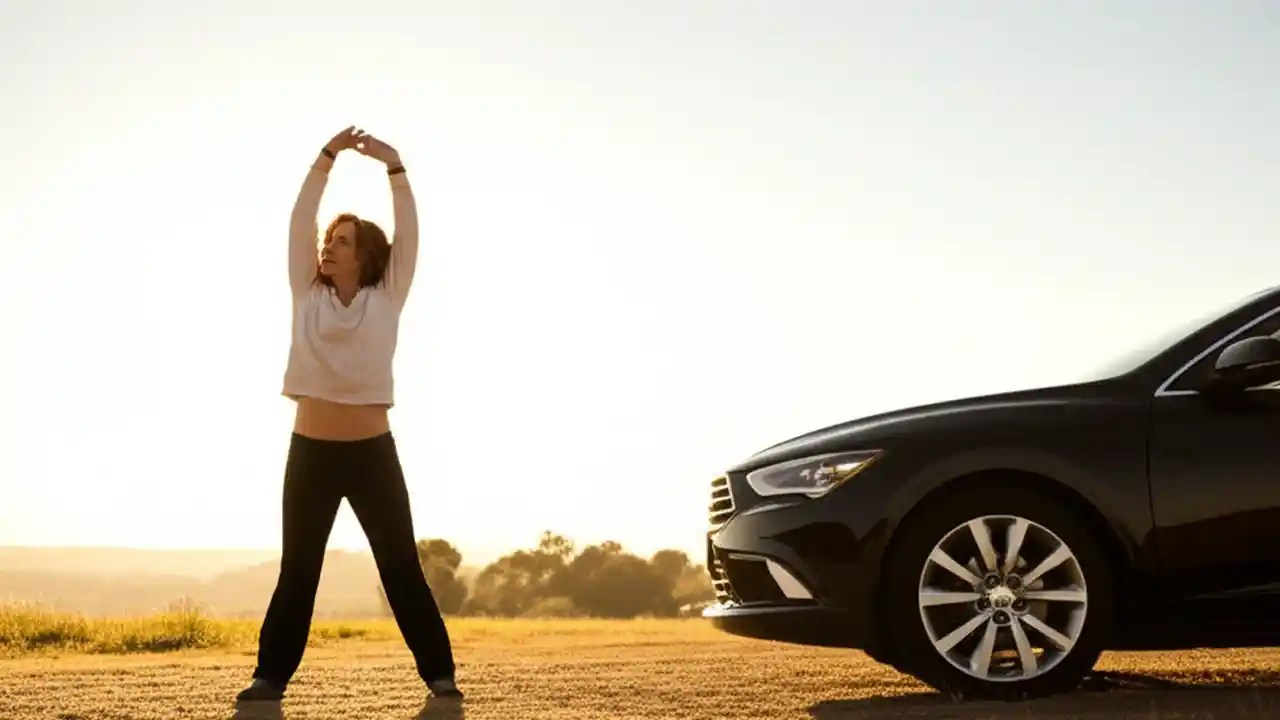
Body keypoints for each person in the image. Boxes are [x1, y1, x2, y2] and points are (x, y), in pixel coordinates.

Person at [235, 126, 462, 704]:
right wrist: (326, 157)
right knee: (299, 570)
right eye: (328, 239)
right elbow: (298, 220)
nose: (327, 246)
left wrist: (395, 167)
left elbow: (409, 234)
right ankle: (270, 678)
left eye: (341, 241)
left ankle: (440, 676)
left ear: (364, 259)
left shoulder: (386, 298)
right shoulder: (305, 295)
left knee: (400, 566)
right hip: (309, 454)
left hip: (371, 457)